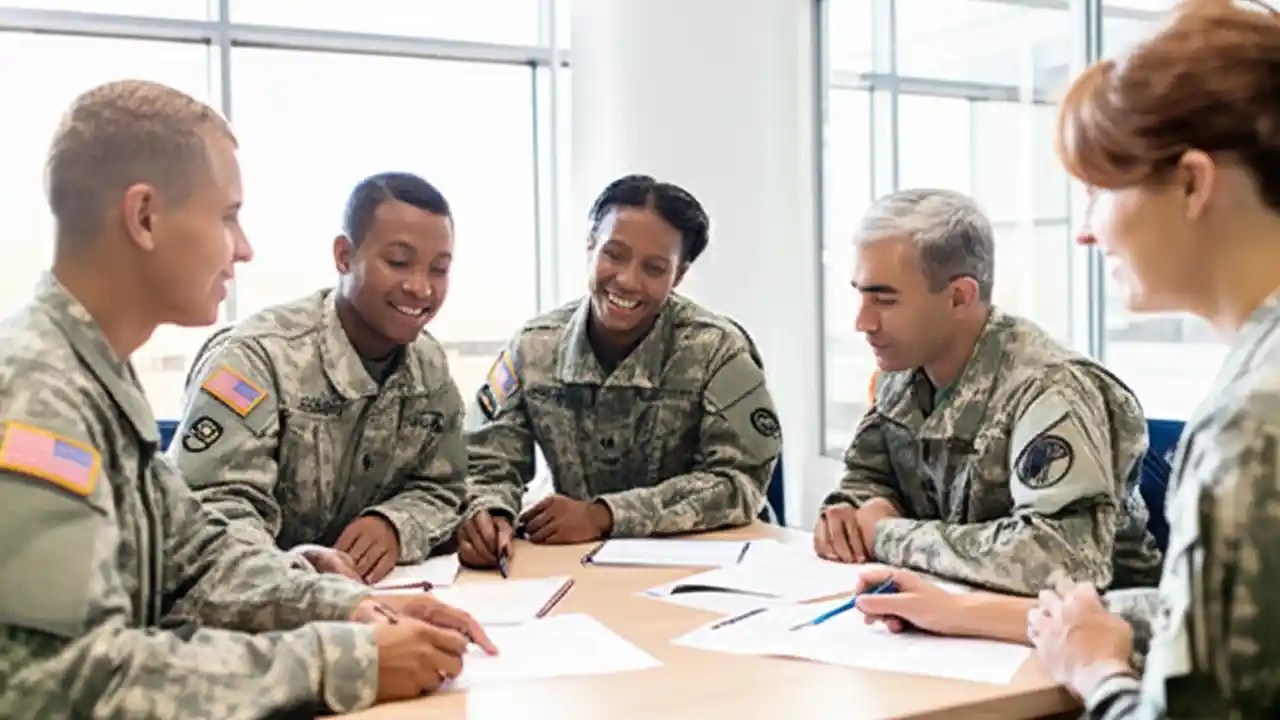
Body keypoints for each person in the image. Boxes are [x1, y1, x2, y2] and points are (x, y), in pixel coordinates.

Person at [0, 79, 493, 719]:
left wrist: (348, 608)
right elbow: (55, 684)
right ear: (144, 217)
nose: (244, 247)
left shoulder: (94, 378)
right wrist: (343, 661)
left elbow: (199, 558)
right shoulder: (37, 397)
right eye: (227, 215)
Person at [853, 2, 1280, 716]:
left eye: (1100, 191)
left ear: (1193, 184)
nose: (1088, 232)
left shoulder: (1253, 422)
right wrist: (973, 613)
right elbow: (1215, 623)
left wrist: (1098, 675)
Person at [814, 188, 1162, 596]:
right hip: (948, 623)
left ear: (959, 297)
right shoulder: (904, 368)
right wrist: (847, 517)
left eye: (885, 300)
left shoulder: (1049, 389)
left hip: (1086, 639)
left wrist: (889, 536)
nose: (862, 322)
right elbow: (869, 481)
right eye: (859, 294)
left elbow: (1061, 561)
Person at [457, 174, 781, 568]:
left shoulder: (717, 350)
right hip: (577, 567)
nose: (627, 280)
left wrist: (604, 515)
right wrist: (490, 514)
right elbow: (487, 459)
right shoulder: (534, 346)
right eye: (614, 254)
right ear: (590, 246)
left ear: (678, 275)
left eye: (654, 268)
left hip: (707, 565)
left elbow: (738, 484)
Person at [170, 171, 466, 585]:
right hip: (260, 616)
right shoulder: (257, 360)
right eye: (398, 262)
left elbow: (445, 487)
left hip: (382, 602)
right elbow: (209, 515)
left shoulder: (429, 366)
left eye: (439, 269)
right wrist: (292, 568)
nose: (421, 288)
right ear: (344, 256)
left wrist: (396, 525)